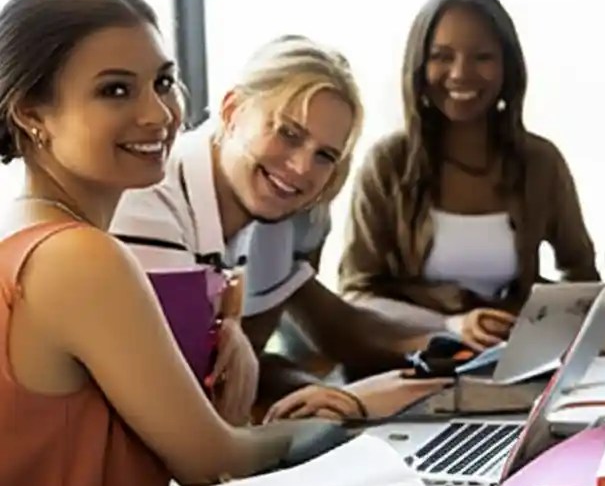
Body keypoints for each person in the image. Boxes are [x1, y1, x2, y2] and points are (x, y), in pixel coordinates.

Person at [0, 0, 345, 486]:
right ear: (31, 113)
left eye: (163, 81)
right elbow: (216, 459)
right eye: (115, 90)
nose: (159, 114)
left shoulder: (25, 239)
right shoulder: (79, 258)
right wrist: (352, 431)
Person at [110, 35, 444, 418]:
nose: (302, 168)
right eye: (288, 133)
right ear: (232, 110)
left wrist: (321, 397)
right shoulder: (149, 203)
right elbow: (186, 418)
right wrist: (355, 404)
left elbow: (237, 370)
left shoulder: (277, 212)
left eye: (324, 155)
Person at [338, 0, 598, 354]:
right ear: (419, 65)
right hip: (412, 364)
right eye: (442, 56)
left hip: (512, 365)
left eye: (482, 57)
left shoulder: (540, 162)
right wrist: (451, 326)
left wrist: (544, 322)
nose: (461, 73)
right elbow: (355, 294)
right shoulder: (387, 164)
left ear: (507, 66)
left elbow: (581, 275)